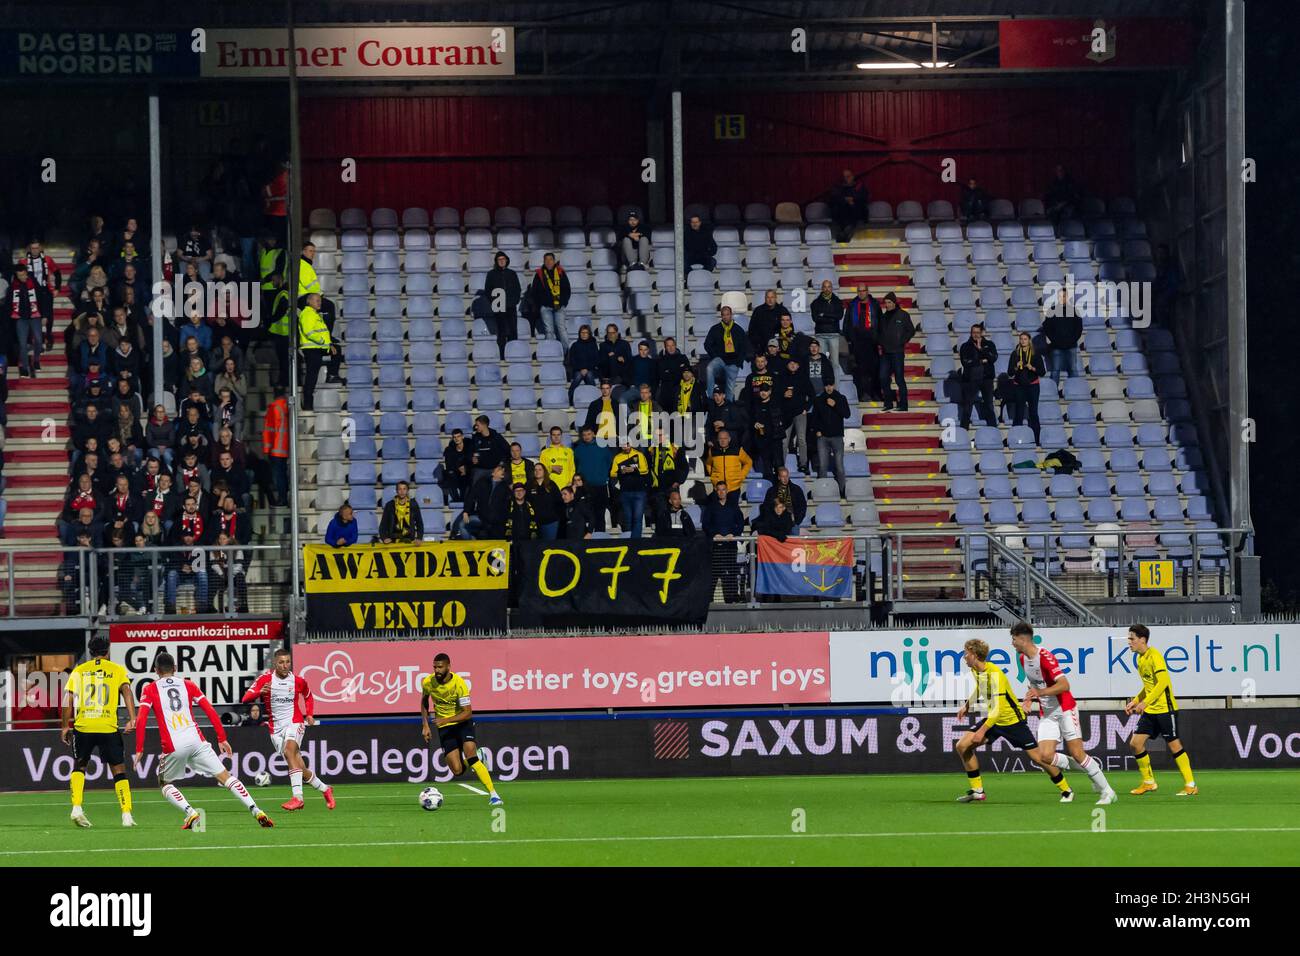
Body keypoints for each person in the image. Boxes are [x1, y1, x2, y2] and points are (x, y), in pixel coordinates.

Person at [134, 652, 274, 829]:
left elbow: (141, 720)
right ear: (175, 669)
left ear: (156, 671)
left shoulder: (149, 689)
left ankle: (191, 812)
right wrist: (222, 738)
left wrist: (139, 748)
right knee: (225, 777)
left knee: (164, 783)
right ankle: (256, 810)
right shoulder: (188, 684)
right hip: (196, 740)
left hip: (173, 744)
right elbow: (211, 711)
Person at [954, 639, 1074, 804]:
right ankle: (978, 791)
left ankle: (1066, 789)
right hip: (994, 721)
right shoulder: (976, 670)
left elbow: (997, 709)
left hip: (1012, 721)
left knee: (1039, 758)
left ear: (974, 655)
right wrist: (967, 706)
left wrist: (981, 731)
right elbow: (980, 689)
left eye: (966, 653)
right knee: (962, 745)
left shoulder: (994, 674)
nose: (964, 656)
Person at [1010, 621, 1117, 805]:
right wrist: (1029, 697)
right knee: (1045, 756)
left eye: (1014, 639)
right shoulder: (1022, 660)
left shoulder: (1045, 657)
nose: (1012, 643)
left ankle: (1107, 791)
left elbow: (1064, 685)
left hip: (1065, 709)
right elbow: (1037, 685)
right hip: (1048, 713)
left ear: (1023, 639)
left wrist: (1039, 693)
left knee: (1077, 753)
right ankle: (1092, 769)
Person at [242, 648, 335, 812]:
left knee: (288, 751)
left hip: (295, 722)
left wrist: (310, 715)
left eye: (288, 662)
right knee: (301, 768)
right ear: (274, 663)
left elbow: (308, 695)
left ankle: (298, 797)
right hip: (276, 728)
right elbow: (245, 698)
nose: (285, 666)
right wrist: (258, 691)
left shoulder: (298, 681)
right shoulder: (265, 679)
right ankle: (325, 789)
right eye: (281, 662)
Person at [61, 635, 138, 828]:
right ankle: (126, 815)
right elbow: (127, 692)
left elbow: (67, 699)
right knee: (118, 769)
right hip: (107, 726)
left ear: (90, 651)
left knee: (80, 765)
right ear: (107, 651)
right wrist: (132, 718)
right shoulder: (117, 670)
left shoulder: (79, 670)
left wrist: (64, 726)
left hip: (84, 726)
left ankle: (76, 808)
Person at [1124, 624, 1198, 797]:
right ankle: (1149, 782)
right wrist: (1135, 701)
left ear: (1142, 639)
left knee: (1174, 745)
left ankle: (1191, 784)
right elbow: (1148, 687)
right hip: (1151, 710)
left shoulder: (1155, 656)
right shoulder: (1140, 659)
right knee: (1135, 744)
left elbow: (1162, 682)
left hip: (1166, 709)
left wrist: (1144, 703)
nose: (1129, 642)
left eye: (1132, 638)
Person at [420, 652, 502, 806]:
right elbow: (424, 701)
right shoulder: (428, 682)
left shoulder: (459, 684)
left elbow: (467, 712)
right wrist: (425, 725)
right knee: (457, 770)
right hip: (445, 728)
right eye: (434, 667)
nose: (436, 670)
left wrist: (445, 719)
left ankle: (494, 795)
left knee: (471, 756)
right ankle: (478, 756)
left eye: (440, 667)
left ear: (448, 667)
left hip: (462, 723)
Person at [701, 481, 745, 603]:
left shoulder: (733, 506)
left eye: (723, 489)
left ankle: (731, 600)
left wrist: (734, 534)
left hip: (730, 546)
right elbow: (706, 525)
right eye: (719, 490)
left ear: (727, 490)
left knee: (731, 574)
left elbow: (740, 523)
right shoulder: (711, 507)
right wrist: (715, 534)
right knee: (714, 575)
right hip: (716, 547)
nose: (721, 492)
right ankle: (709, 601)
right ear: (716, 491)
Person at [810, 380, 851, 497]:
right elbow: (814, 418)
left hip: (837, 437)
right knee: (823, 466)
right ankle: (823, 490)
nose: (828, 387)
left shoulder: (841, 398)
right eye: (827, 385)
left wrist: (835, 405)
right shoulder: (819, 399)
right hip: (823, 437)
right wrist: (817, 430)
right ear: (824, 386)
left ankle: (842, 490)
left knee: (839, 466)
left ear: (834, 385)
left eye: (830, 385)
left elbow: (847, 414)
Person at [7, 262, 47, 377]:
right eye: (19, 275)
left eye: (23, 275)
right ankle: (24, 367)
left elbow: (41, 299)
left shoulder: (33, 283)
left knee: (39, 340)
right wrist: (11, 316)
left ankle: (36, 360)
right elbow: (9, 304)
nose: (22, 277)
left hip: (35, 316)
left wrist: (44, 315)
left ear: (26, 273)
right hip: (21, 319)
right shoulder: (13, 286)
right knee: (22, 344)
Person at [877, 292, 915, 412]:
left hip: (897, 352)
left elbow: (911, 330)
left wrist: (902, 341)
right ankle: (888, 403)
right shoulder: (883, 317)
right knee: (883, 377)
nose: (887, 305)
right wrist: (880, 342)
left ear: (894, 303)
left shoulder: (903, 315)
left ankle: (903, 404)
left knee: (899, 378)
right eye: (885, 303)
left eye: (889, 302)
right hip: (885, 352)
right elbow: (879, 333)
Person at [572, 426, 614, 532]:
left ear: (594, 434)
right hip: (584, 488)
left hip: (600, 486)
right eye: (584, 435)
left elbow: (609, 463)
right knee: (585, 514)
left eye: (589, 434)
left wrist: (602, 475)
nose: (586, 437)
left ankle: (600, 538)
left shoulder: (603, 448)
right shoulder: (578, 449)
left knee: (600, 514)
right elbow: (576, 465)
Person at [1006, 331, 1045, 445]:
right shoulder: (1015, 354)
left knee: (1033, 413)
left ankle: (1037, 439)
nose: (1023, 341)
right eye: (1021, 339)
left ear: (1029, 341)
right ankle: (1017, 439)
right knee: (1019, 413)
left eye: (1025, 339)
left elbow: (1042, 372)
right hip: (1019, 386)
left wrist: (1032, 368)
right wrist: (1016, 367)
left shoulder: (1035, 354)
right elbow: (1010, 373)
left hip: (1033, 386)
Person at [453, 462, 509, 540]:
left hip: (496, 522)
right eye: (499, 469)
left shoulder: (505, 488)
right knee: (462, 525)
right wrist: (466, 511)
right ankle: (471, 545)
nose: (502, 470)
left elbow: (506, 507)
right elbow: (471, 496)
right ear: (493, 473)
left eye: (503, 469)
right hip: (481, 517)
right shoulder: (482, 482)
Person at [777, 356, 814, 475]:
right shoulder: (781, 378)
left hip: (800, 413)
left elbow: (812, 395)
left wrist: (806, 408)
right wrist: (783, 394)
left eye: (795, 363)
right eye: (790, 363)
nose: (793, 365)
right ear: (787, 365)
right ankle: (781, 466)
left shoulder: (803, 378)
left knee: (802, 439)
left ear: (798, 366)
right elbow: (775, 395)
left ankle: (803, 464)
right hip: (786, 414)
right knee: (784, 441)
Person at [842, 286, 880, 400]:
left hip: (872, 343)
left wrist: (878, 338)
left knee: (874, 370)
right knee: (860, 371)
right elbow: (846, 324)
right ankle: (863, 394)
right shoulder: (852, 305)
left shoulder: (875, 304)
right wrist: (850, 339)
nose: (861, 293)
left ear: (867, 292)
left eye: (863, 290)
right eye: (859, 291)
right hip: (857, 344)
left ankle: (875, 393)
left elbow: (880, 322)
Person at [958, 323, 998, 431]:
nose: (975, 335)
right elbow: (965, 362)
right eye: (973, 332)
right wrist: (981, 361)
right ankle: (963, 430)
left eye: (977, 332)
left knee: (989, 405)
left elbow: (993, 358)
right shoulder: (965, 346)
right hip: (970, 380)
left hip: (986, 379)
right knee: (967, 406)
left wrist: (981, 349)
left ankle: (993, 429)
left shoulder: (989, 344)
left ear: (982, 333)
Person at [527, 252, 571, 350]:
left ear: (554, 261)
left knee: (561, 330)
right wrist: (541, 304)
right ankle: (551, 352)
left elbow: (566, 289)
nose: (548, 262)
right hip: (546, 307)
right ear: (544, 261)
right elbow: (535, 292)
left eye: (550, 259)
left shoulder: (560, 272)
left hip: (559, 307)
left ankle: (566, 353)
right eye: (546, 260)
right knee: (549, 331)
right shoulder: (539, 274)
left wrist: (563, 303)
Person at [703, 306, 749, 398]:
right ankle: (710, 397)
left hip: (733, 361)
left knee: (730, 387)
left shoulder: (738, 330)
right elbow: (707, 344)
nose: (725, 317)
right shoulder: (715, 329)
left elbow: (744, 347)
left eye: (727, 315)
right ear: (721, 316)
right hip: (720, 359)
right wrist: (715, 356)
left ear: (731, 315)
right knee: (709, 368)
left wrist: (739, 362)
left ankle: (729, 408)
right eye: (723, 315)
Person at [484, 250, 522, 359]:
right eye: (499, 259)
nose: (501, 261)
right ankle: (502, 355)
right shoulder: (491, 274)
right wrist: (494, 302)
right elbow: (488, 290)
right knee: (502, 331)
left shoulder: (512, 273)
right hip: (499, 306)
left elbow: (517, 289)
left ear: (507, 260)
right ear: (496, 261)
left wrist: (514, 301)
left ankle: (514, 354)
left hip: (511, 306)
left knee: (513, 330)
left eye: (503, 259)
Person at [297, 291, 331, 412]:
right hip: (312, 349)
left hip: (317, 348)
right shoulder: (308, 314)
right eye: (316, 300)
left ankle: (308, 403)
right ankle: (307, 404)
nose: (319, 303)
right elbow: (309, 332)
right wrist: (322, 341)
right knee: (311, 377)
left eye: (320, 301)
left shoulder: (313, 314)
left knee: (313, 377)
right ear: (309, 301)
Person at [610, 441, 650, 538]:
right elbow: (612, 473)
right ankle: (628, 541)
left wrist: (634, 470)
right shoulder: (617, 457)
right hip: (625, 492)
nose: (626, 447)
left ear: (630, 444)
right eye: (623, 445)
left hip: (639, 491)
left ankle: (635, 543)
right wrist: (621, 471)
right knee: (627, 519)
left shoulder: (639, 455)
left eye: (627, 445)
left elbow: (645, 470)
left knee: (637, 518)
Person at [1043, 287, 1082, 385]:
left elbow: (1079, 328)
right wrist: (1055, 340)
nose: (1062, 298)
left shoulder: (1074, 311)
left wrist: (1072, 340)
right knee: (1055, 370)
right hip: (1056, 347)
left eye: (1064, 296)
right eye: (1060, 296)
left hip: (1071, 346)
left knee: (1073, 369)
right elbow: (1047, 327)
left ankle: (1075, 391)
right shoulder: (1052, 310)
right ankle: (1053, 391)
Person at [757, 466, 808, 539]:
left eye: (786, 476)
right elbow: (766, 507)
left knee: (792, 546)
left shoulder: (796, 489)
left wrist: (797, 520)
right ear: (779, 477)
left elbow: (802, 506)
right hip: (776, 525)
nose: (785, 479)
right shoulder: (771, 491)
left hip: (792, 524)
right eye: (783, 476)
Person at [706, 427, 752, 506]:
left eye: (725, 438)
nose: (723, 441)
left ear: (729, 439)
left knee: (732, 511)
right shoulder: (713, 451)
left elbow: (748, 462)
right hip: (718, 488)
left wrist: (741, 476)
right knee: (718, 511)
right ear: (717, 439)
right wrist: (713, 475)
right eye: (720, 438)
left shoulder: (738, 450)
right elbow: (708, 463)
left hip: (733, 488)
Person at [750, 383, 785, 480]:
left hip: (775, 439)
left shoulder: (776, 404)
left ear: (769, 391)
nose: (763, 393)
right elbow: (751, 419)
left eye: (765, 390)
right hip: (762, 440)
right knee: (767, 466)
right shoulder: (756, 405)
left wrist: (780, 427)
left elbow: (784, 419)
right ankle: (769, 488)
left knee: (779, 465)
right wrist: (755, 424)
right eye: (761, 390)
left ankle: (782, 488)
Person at [261, 387, 290, 506]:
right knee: (283, 475)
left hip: (276, 449)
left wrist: (267, 449)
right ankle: (284, 498)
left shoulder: (274, 408)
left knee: (278, 476)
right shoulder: (287, 406)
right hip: (286, 447)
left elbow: (269, 430)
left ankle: (282, 499)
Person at [810, 279, 845, 372]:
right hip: (820, 335)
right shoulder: (815, 303)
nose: (827, 289)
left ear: (832, 288)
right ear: (822, 288)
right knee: (820, 363)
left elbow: (839, 316)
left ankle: (836, 386)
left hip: (834, 335)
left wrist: (824, 314)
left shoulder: (838, 301)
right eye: (825, 287)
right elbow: (816, 318)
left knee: (835, 364)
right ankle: (821, 386)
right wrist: (832, 318)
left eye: (829, 286)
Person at [467, 414, 510, 487]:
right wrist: (472, 458)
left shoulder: (496, 437)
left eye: (478, 425)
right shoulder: (475, 438)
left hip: (495, 467)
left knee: (500, 480)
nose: (476, 427)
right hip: (480, 469)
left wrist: (500, 465)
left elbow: (507, 451)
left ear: (484, 425)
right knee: (475, 480)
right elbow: (469, 453)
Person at [747, 289, 789, 360]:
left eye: (772, 297)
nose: (770, 300)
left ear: (776, 298)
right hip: (761, 346)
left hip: (779, 345)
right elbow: (752, 330)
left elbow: (789, 328)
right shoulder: (758, 311)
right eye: (768, 297)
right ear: (765, 298)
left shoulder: (782, 310)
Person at [830, 168, 868, 243]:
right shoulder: (838, 188)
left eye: (848, 176)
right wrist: (845, 200)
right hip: (840, 217)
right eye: (844, 177)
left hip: (856, 216)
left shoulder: (860, 187)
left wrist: (853, 201)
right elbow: (833, 199)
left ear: (853, 176)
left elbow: (864, 199)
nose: (846, 179)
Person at [527, 461, 563, 540]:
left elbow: (559, 501)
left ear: (544, 471)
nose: (537, 471)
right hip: (535, 522)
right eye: (535, 470)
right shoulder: (529, 485)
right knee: (536, 547)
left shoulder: (551, 484)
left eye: (540, 469)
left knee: (549, 545)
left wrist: (556, 515)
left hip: (551, 521)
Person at [439, 428, 472, 504]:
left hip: (467, 471)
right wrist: (459, 468)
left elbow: (471, 461)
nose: (457, 439)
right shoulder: (449, 450)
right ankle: (456, 499)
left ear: (462, 437)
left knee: (468, 475)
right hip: (455, 472)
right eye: (454, 437)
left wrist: (465, 468)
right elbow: (448, 465)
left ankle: (464, 499)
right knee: (449, 473)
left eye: (458, 436)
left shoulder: (469, 447)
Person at [567, 323, 600, 399]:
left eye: (586, 333)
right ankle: (570, 397)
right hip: (578, 370)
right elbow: (572, 360)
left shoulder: (593, 345)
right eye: (582, 333)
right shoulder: (575, 345)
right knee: (578, 376)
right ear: (579, 334)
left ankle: (595, 397)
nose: (584, 334)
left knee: (589, 375)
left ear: (589, 334)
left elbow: (596, 359)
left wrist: (587, 369)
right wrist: (581, 369)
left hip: (590, 369)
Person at [597, 323, 633, 391]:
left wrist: (623, 359)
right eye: (609, 333)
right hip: (608, 374)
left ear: (617, 333)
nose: (611, 335)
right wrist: (608, 356)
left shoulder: (624, 344)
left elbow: (630, 359)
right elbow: (600, 362)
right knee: (611, 358)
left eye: (613, 333)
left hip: (622, 374)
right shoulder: (603, 345)